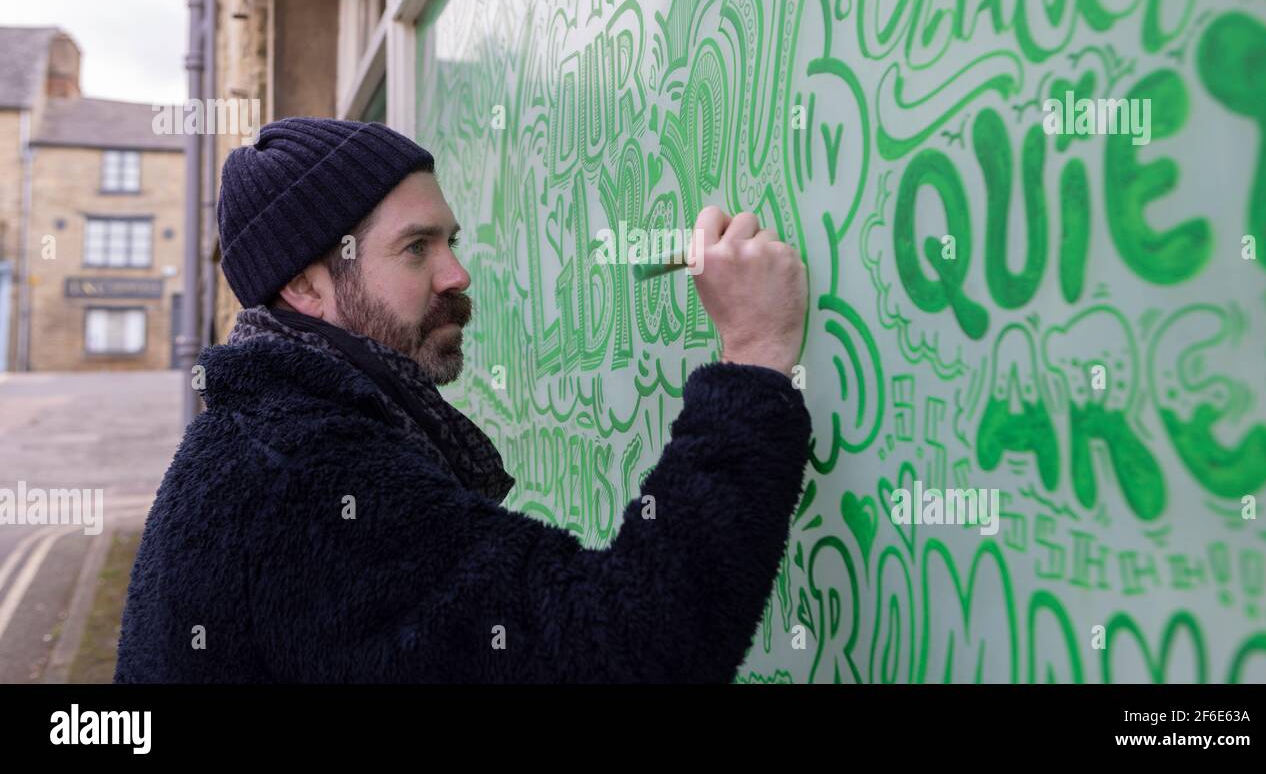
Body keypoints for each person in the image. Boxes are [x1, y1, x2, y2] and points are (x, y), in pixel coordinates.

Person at [114, 116, 812, 683]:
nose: (456, 271)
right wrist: (752, 355)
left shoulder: (255, 436)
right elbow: (631, 649)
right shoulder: (308, 477)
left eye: (450, 240)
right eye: (417, 247)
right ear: (305, 286)